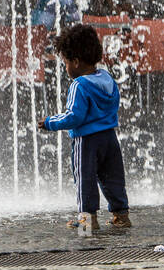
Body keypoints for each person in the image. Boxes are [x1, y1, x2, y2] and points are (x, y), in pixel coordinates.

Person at [37, 23, 131, 231]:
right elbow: (115, 103)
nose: (67, 68)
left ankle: (88, 222)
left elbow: (74, 117)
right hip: (109, 138)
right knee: (113, 177)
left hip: (87, 141)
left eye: (66, 63)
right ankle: (121, 215)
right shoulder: (106, 78)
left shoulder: (79, 85)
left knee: (85, 180)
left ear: (76, 62)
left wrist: (51, 122)